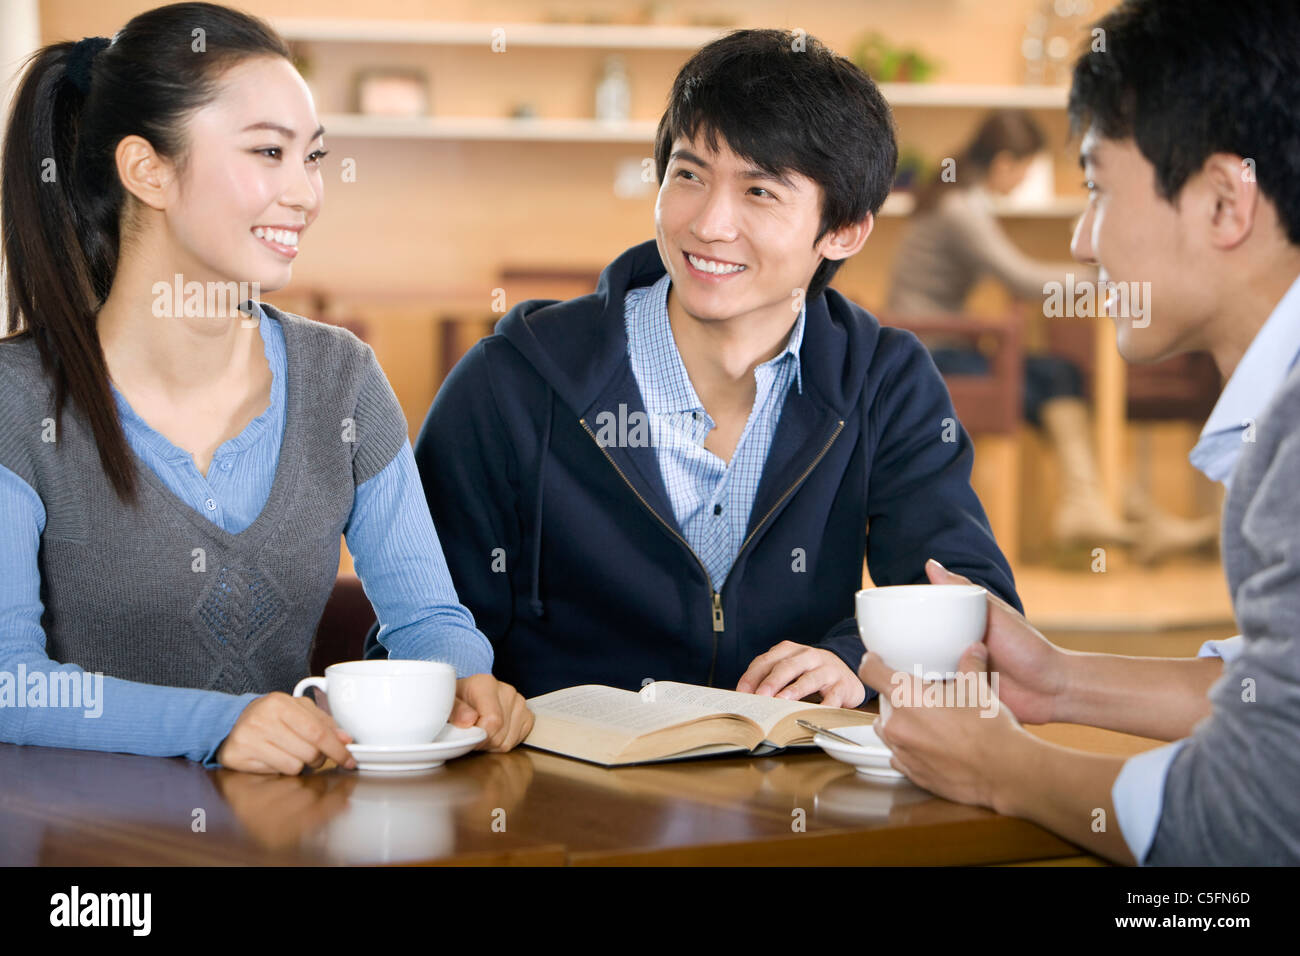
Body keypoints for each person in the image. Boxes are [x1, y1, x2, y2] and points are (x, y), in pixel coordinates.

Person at [366, 29, 1022, 706]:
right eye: (689, 175)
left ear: (844, 230)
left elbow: (976, 611)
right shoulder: (510, 382)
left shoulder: (885, 381)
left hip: (794, 795)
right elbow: (416, 633)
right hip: (558, 793)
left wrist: (852, 660)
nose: (709, 224)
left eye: (760, 192)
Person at [0, 2, 532, 773]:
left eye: (312, 158)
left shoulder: (341, 379)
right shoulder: (17, 401)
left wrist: (466, 678)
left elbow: (425, 618)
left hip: (284, 837)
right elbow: (11, 684)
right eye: (268, 153)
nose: (306, 194)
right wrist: (219, 723)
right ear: (147, 170)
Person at [859, 0, 1300, 864]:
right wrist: (1058, 681)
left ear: (1223, 202)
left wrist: (1002, 770)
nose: (1085, 241)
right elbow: (1276, 694)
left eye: (1097, 189)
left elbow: (1256, 811)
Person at [890, 109, 1218, 559]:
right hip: (930, 351)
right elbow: (1020, 279)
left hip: (939, 342)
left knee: (1059, 375)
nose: (1024, 180)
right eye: (1025, 169)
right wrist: (1108, 280)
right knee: (1054, 379)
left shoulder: (956, 197)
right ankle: (1123, 514)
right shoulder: (959, 207)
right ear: (1005, 162)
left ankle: (1102, 510)